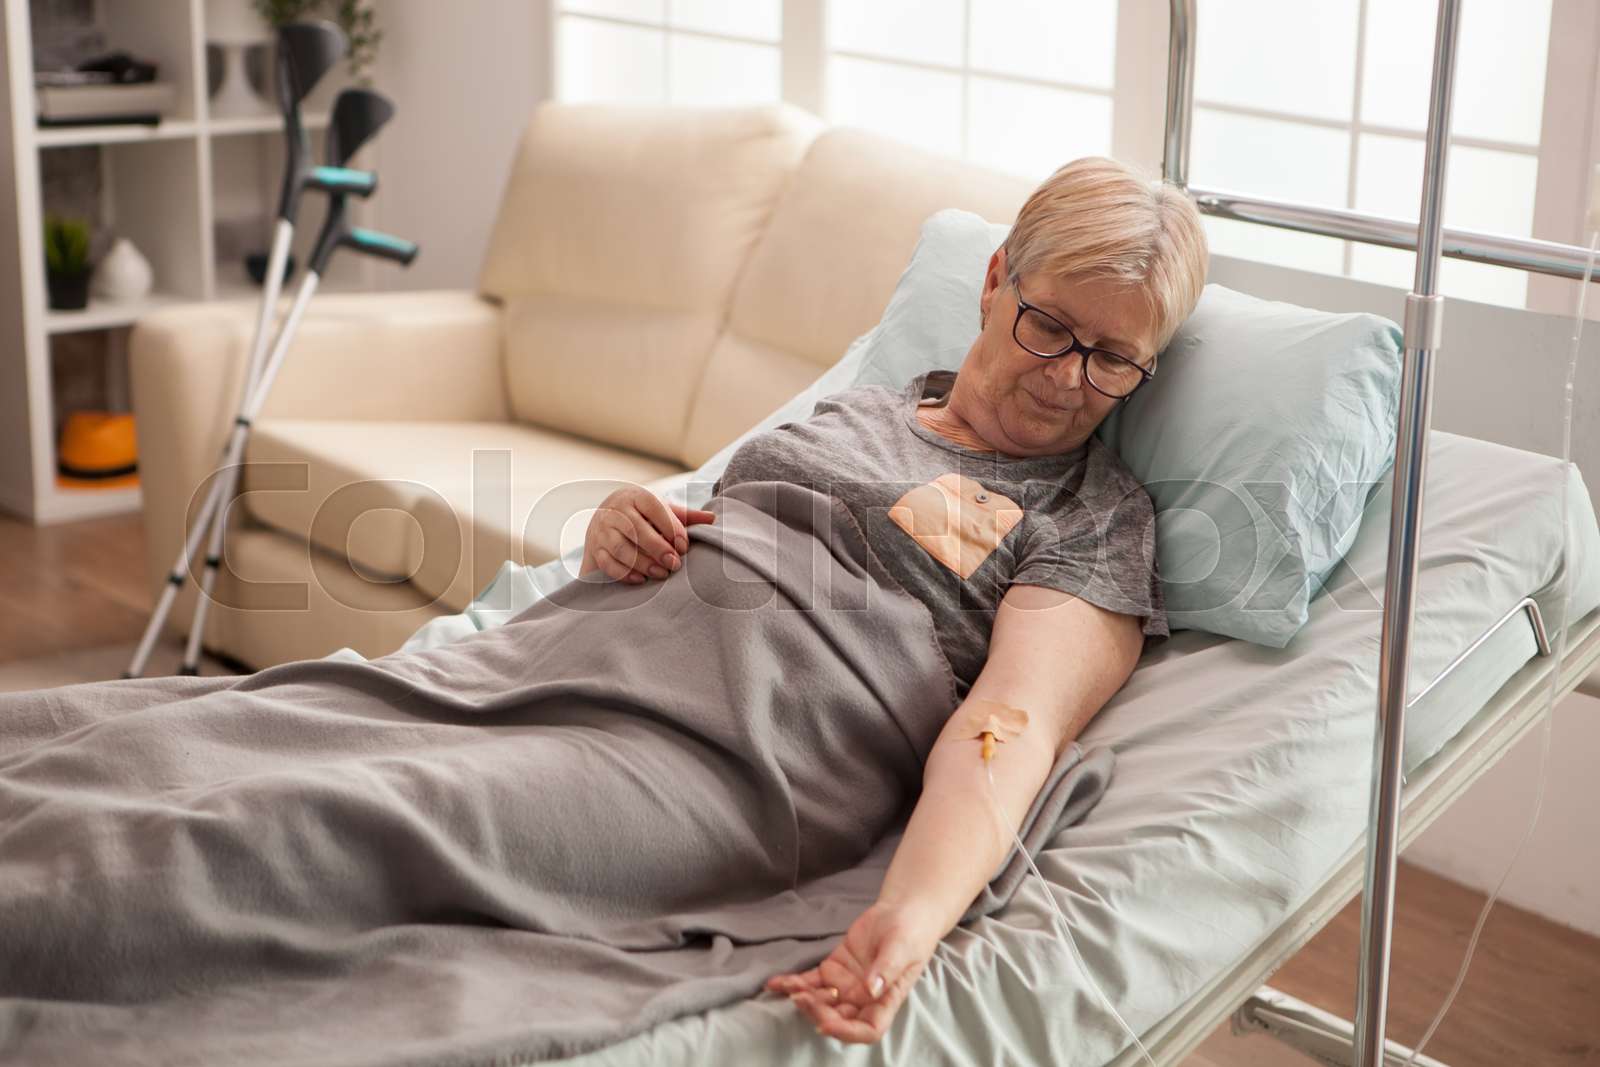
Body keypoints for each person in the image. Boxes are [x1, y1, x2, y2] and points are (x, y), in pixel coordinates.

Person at [577, 155, 1209, 1044]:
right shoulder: (856, 413)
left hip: (732, 753)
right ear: (995, 283)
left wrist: (911, 919)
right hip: (594, 665)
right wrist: (618, 527)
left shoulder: (1091, 517)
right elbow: (702, 527)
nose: (1070, 379)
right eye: (1052, 328)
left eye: (1112, 360)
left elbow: (1013, 721)